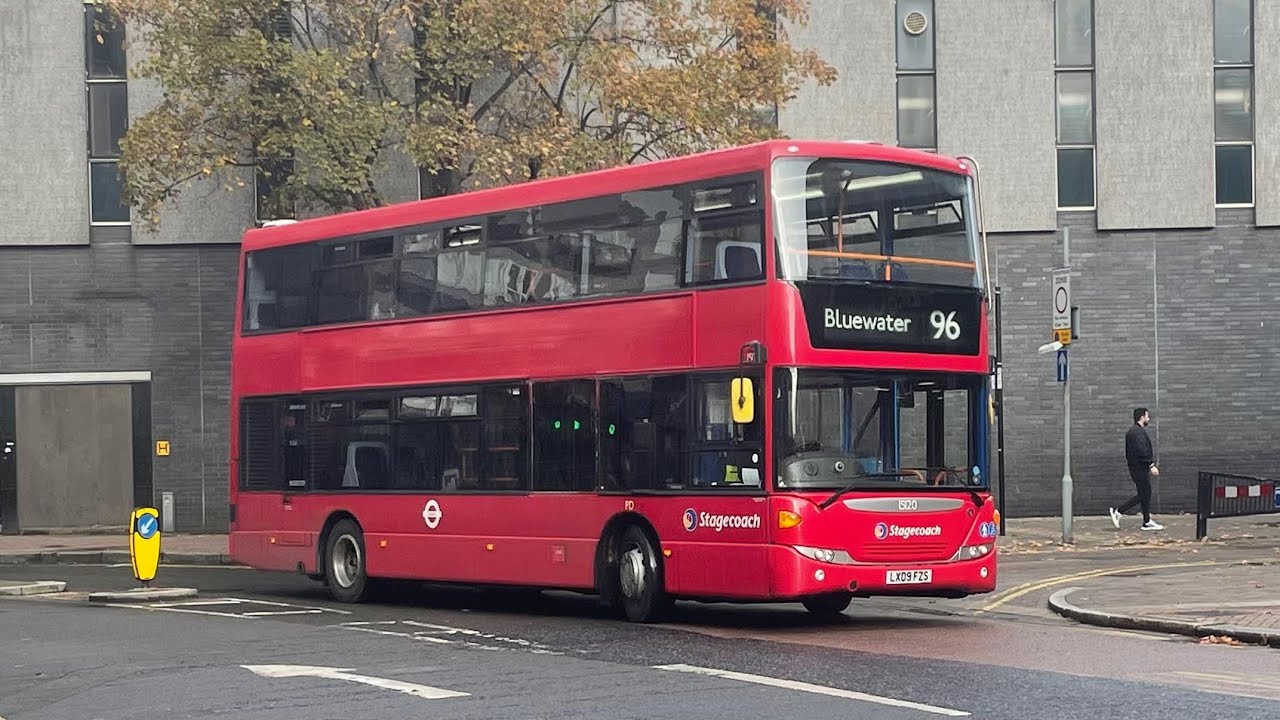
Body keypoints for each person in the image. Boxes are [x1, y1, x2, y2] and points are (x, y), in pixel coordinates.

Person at [1109, 407, 1163, 531]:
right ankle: (1119, 511)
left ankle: (1146, 521)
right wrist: (1151, 465)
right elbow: (1141, 450)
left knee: (1145, 493)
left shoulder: (1135, 431)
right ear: (1142, 417)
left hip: (1137, 468)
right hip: (1139, 469)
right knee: (1144, 494)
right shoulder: (1137, 432)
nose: (1148, 418)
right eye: (1147, 416)